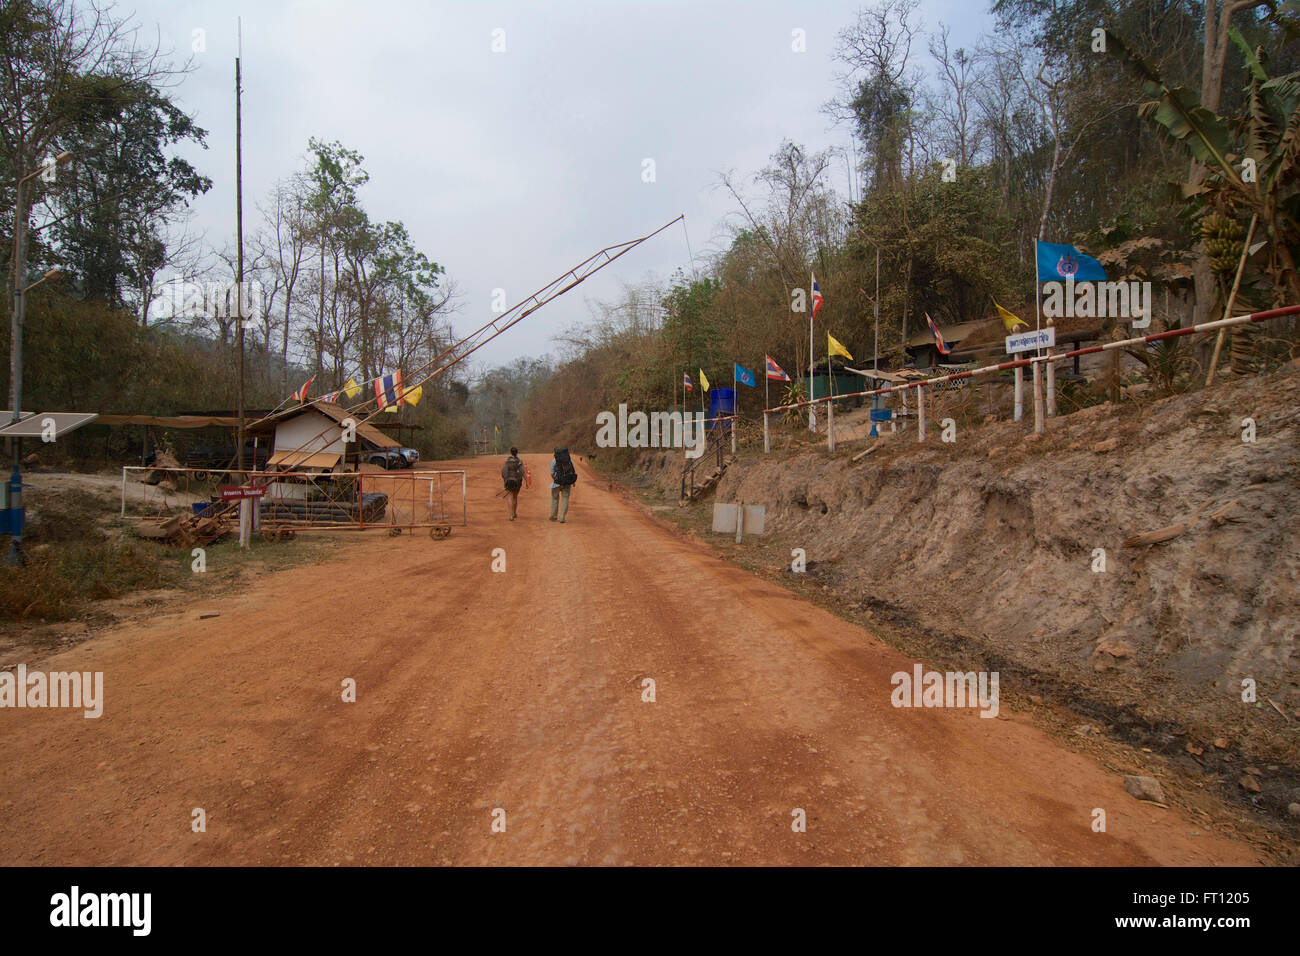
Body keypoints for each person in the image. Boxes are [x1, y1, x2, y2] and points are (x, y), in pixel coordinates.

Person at [549, 446, 577, 522]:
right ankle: (562, 517)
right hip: (567, 482)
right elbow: (572, 471)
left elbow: (551, 473)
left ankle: (553, 516)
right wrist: (573, 482)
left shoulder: (554, 461)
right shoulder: (569, 460)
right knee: (565, 499)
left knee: (555, 498)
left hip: (557, 483)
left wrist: (556, 479)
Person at [501, 447, 524, 520]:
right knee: (515, 497)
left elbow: (504, 472)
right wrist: (526, 481)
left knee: (510, 497)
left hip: (509, 481)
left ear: (510, 452)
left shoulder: (507, 461)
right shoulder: (519, 461)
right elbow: (522, 472)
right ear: (517, 452)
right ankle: (514, 513)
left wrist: (505, 480)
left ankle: (511, 516)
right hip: (517, 482)